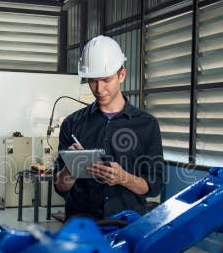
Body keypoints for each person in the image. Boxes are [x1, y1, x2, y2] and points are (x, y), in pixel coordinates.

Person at [54, 35, 164, 220]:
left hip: (126, 227)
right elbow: (59, 186)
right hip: (82, 227)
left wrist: (123, 178)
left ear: (121, 75)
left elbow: (155, 185)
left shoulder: (147, 125)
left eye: (106, 80)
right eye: (92, 81)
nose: (99, 89)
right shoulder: (72, 124)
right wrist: (71, 170)